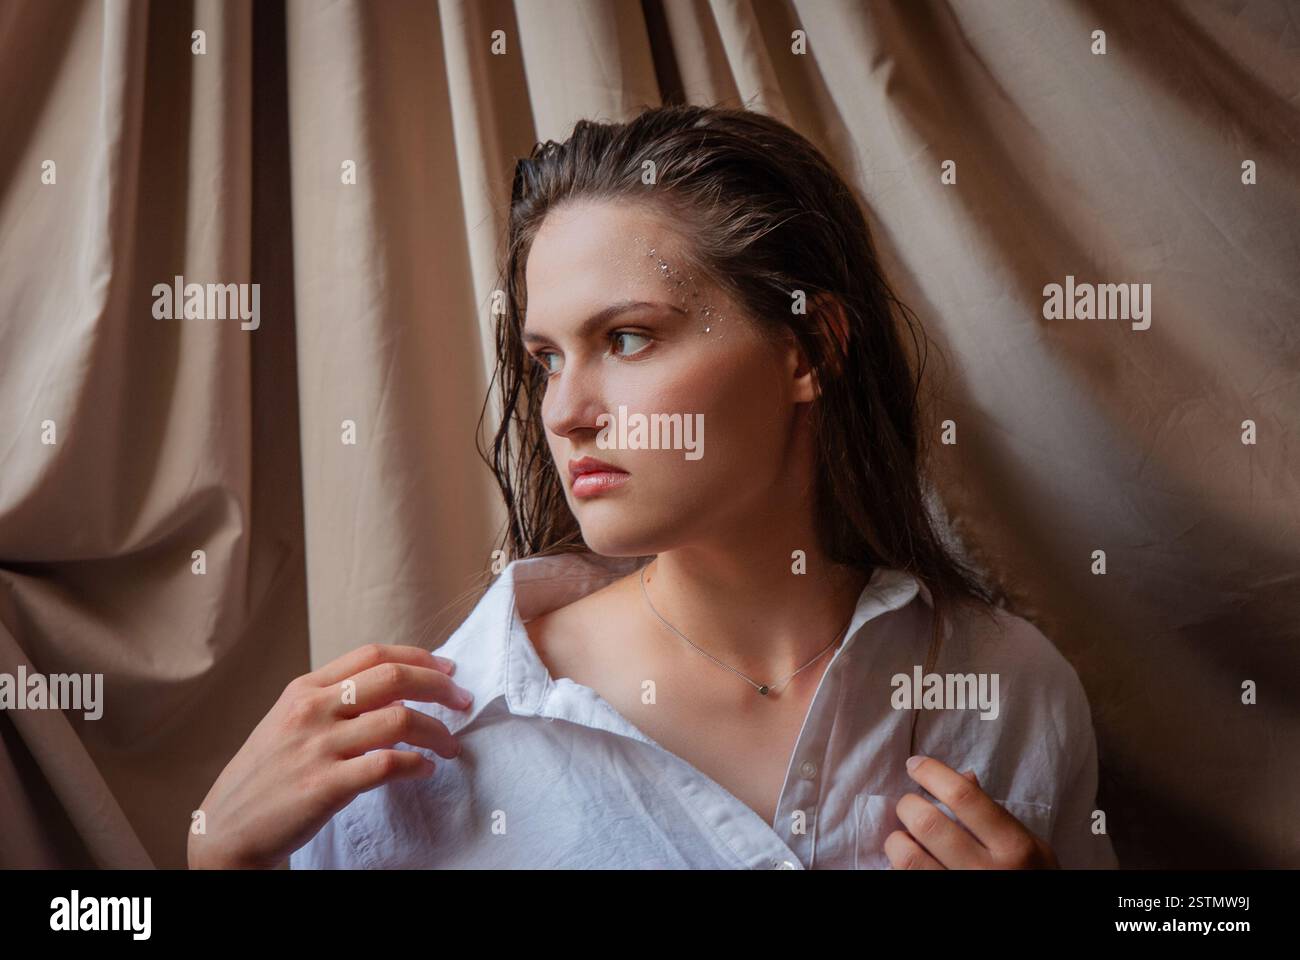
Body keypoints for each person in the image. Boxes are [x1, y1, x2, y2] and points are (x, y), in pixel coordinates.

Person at [189, 103, 1118, 870]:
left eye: (627, 338)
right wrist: (219, 861)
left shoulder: (1009, 689)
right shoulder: (426, 744)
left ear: (809, 348)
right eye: (547, 359)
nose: (564, 413)